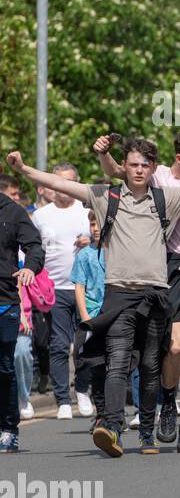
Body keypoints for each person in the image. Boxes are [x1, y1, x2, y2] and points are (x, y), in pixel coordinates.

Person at [9, 139, 180, 457]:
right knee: (117, 361)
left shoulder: (167, 199)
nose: (139, 170)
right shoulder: (106, 197)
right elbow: (58, 182)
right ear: (125, 168)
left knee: (149, 366)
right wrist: (22, 168)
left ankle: (147, 433)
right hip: (118, 294)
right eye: (133, 165)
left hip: (156, 295)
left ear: (153, 169)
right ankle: (113, 427)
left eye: (145, 165)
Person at [98, 128, 180, 449]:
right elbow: (118, 171)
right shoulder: (157, 175)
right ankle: (169, 402)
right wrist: (103, 152)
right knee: (174, 346)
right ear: (178, 159)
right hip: (170, 268)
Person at [30, 162, 92, 421]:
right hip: (54, 289)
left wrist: (91, 240)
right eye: (58, 182)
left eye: (69, 182)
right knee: (57, 345)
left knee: (86, 344)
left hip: (85, 288)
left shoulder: (87, 210)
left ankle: (83, 390)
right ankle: (62, 399)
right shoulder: (40, 216)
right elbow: (32, 249)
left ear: (77, 183)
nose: (63, 188)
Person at [0, 175, 44, 454]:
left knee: (4, 367)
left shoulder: (13, 212)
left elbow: (35, 246)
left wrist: (30, 267)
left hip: (4, 300)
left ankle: (8, 428)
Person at [71, 210, 105, 426]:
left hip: (116, 314)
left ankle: (117, 412)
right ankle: (102, 413)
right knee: (96, 365)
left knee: (118, 367)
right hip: (92, 315)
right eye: (92, 223)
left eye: (98, 223)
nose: (94, 228)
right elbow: (79, 287)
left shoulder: (119, 251)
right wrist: (86, 318)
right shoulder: (84, 254)